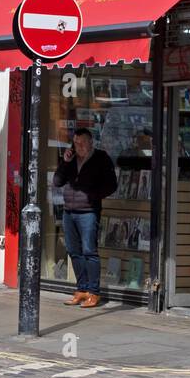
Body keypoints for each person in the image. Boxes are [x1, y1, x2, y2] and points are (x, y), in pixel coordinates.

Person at [51, 129, 117, 308]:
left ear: (90, 143)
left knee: (89, 251)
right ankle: (81, 289)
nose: (78, 146)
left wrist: (92, 196)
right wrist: (64, 162)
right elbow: (57, 182)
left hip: (88, 211)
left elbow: (112, 185)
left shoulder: (101, 158)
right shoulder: (70, 159)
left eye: (81, 143)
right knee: (73, 251)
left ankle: (94, 292)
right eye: (75, 142)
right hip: (69, 211)